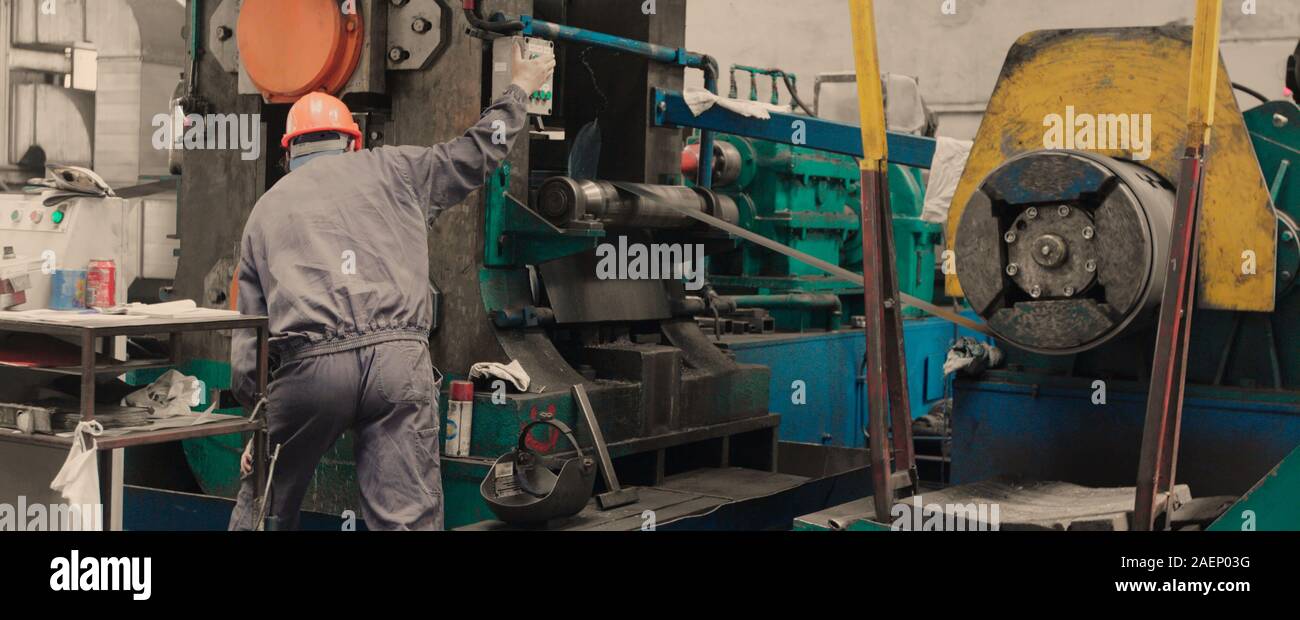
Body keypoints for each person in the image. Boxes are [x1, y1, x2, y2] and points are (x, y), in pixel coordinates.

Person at [227, 42, 555, 531]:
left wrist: (260, 423)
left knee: (265, 507)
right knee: (407, 520)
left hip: (310, 372)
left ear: (288, 151)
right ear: (353, 141)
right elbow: (477, 152)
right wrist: (520, 89)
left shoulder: (265, 211)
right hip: (398, 367)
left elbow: (249, 339)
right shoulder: (398, 168)